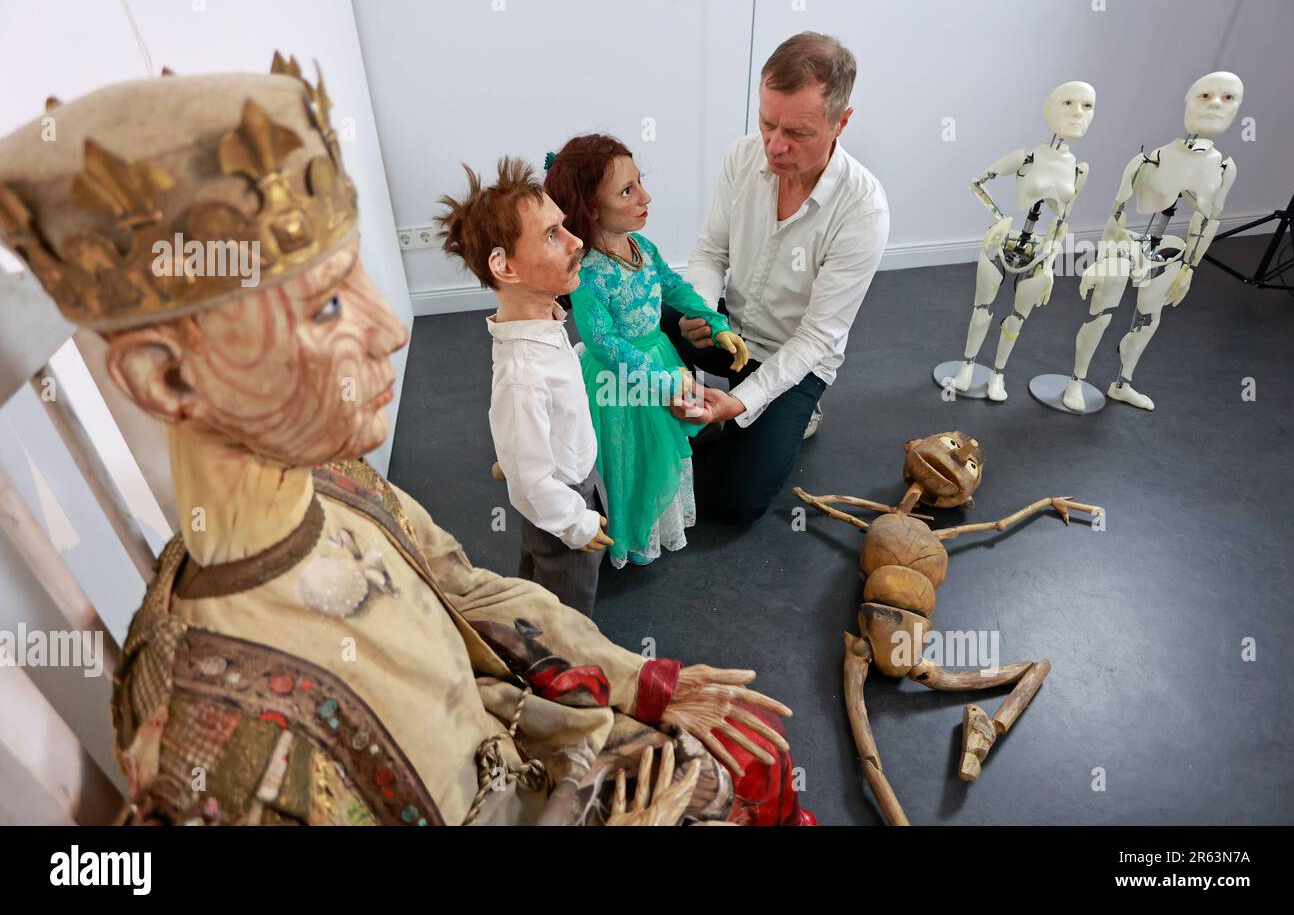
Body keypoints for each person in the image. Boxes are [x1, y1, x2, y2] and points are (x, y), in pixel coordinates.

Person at [0, 57, 813, 825]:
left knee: (751, 757)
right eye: (324, 307)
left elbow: (471, 591)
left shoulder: (337, 481)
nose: (390, 330)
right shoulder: (215, 739)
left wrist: (643, 680)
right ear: (167, 377)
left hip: (517, 738)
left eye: (357, 278)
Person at [663, 31, 890, 525]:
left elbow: (815, 338)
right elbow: (709, 253)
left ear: (840, 123)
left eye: (799, 133)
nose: (775, 146)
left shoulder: (864, 210)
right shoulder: (742, 157)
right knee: (641, 315)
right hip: (727, 329)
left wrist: (739, 403)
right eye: (767, 124)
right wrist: (700, 310)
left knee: (736, 503)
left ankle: (784, 416)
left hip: (796, 359)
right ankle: (675, 420)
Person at [544, 135, 748, 567]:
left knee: (661, 446)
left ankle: (654, 522)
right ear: (591, 209)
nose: (645, 196)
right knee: (627, 456)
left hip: (660, 357)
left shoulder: (643, 248)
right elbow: (603, 342)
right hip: (618, 379)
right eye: (627, 190)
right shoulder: (589, 274)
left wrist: (715, 323)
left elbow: (673, 286)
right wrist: (658, 378)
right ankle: (624, 532)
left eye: (640, 183)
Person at [436, 157, 612, 617]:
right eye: (553, 234)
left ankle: (529, 617)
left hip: (577, 484)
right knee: (566, 609)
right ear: (505, 266)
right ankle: (563, 670)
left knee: (539, 573)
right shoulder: (523, 375)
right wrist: (576, 523)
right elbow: (531, 483)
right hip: (564, 499)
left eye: (565, 227)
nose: (576, 242)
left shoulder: (545, 323)